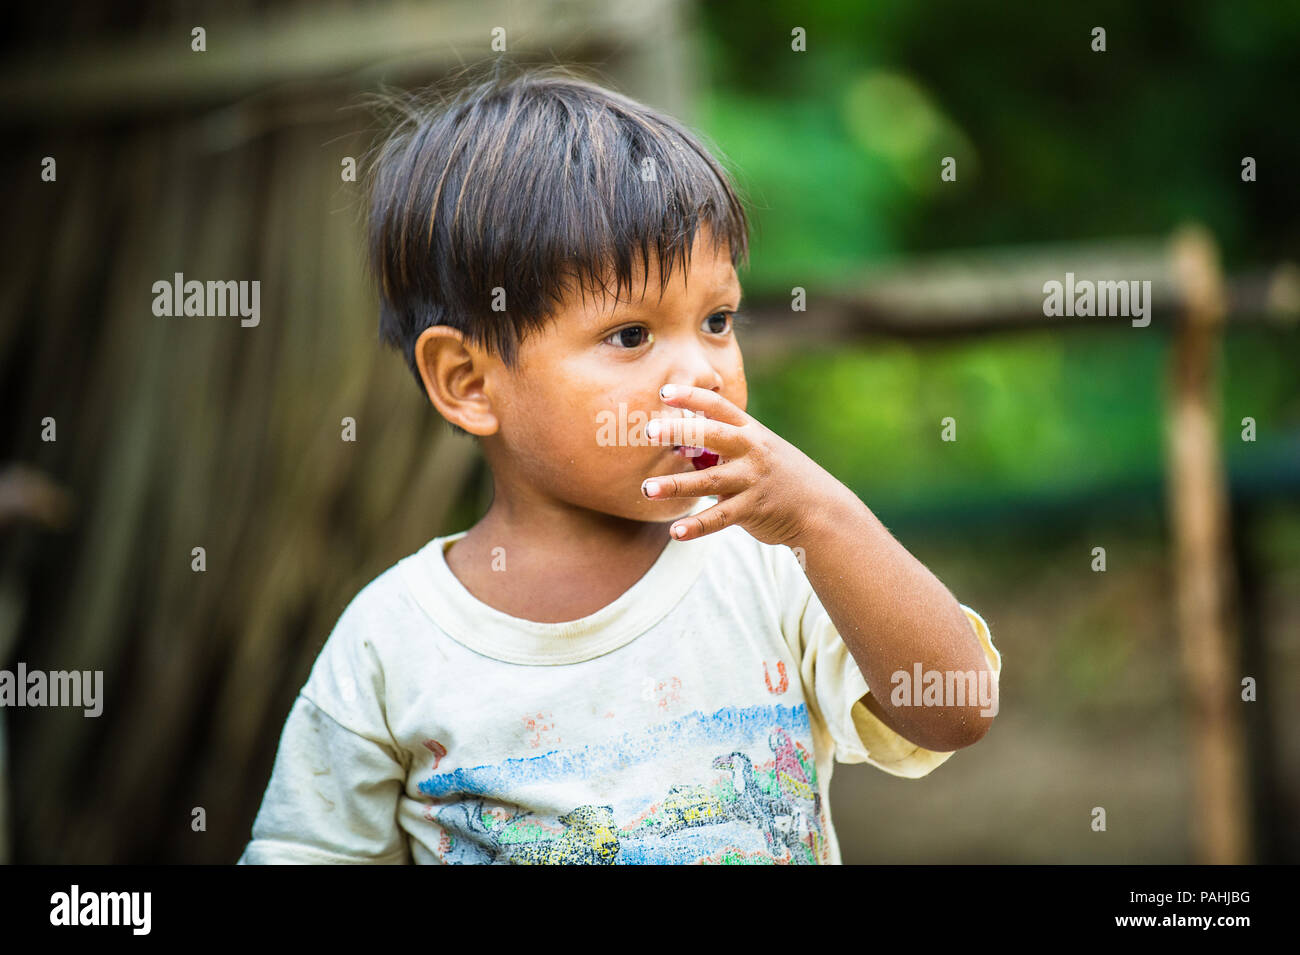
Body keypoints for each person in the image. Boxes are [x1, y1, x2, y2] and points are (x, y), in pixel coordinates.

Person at [238, 63, 1001, 865]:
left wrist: (819, 514)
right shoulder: (390, 648)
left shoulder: (771, 568)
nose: (704, 372)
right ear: (468, 382)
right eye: (631, 335)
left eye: (716, 319)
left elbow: (957, 709)